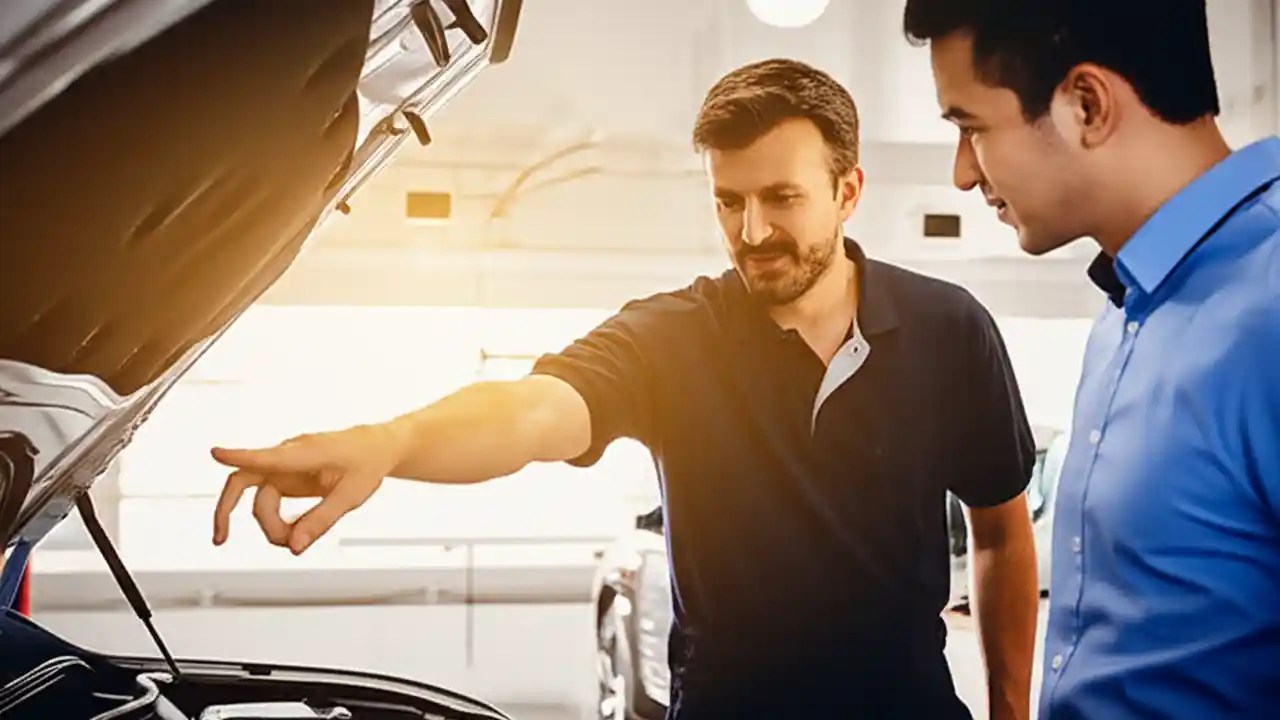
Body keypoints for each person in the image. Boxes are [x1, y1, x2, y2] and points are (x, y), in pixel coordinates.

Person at [209, 59, 1040, 719]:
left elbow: (1001, 527)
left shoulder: (949, 329)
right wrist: (389, 444)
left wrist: (1012, 713)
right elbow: (532, 411)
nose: (752, 234)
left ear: (847, 191)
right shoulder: (676, 338)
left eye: (782, 199)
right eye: (730, 202)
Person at [904, 1, 1280, 717]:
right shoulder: (1127, 313)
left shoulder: (1270, 301)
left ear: (1086, 104)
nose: (961, 173)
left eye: (971, 128)